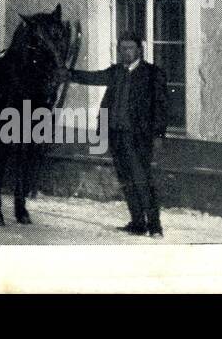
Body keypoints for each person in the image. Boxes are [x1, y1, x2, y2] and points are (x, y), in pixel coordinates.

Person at [67, 34, 169, 236]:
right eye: (122, 48)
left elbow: (161, 106)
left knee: (142, 180)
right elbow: (94, 77)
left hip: (138, 138)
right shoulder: (116, 72)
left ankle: (155, 226)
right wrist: (70, 74)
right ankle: (138, 223)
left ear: (139, 50)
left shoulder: (152, 73)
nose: (126, 52)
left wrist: (158, 134)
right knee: (126, 180)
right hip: (116, 135)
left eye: (130, 48)